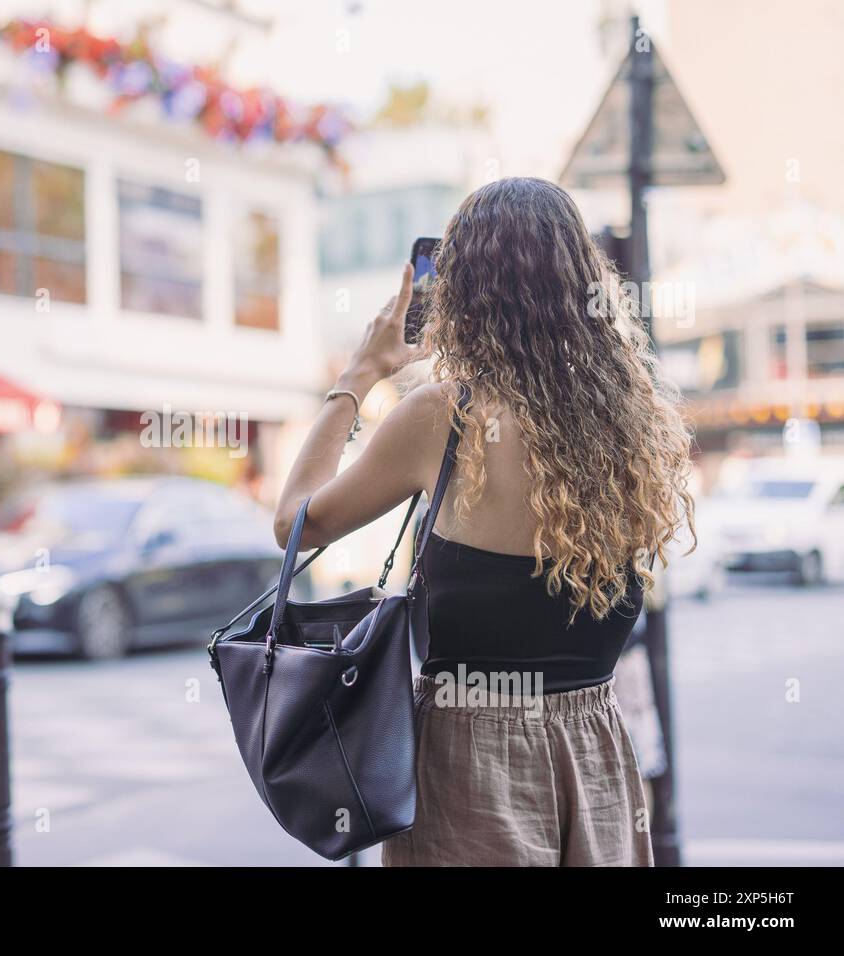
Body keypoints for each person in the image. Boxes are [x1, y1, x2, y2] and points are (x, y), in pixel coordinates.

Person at [273, 177, 695, 867]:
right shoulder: (630, 423)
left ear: (464, 293)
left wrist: (360, 371)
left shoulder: (444, 417)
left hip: (466, 763)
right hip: (595, 752)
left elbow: (295, 524)